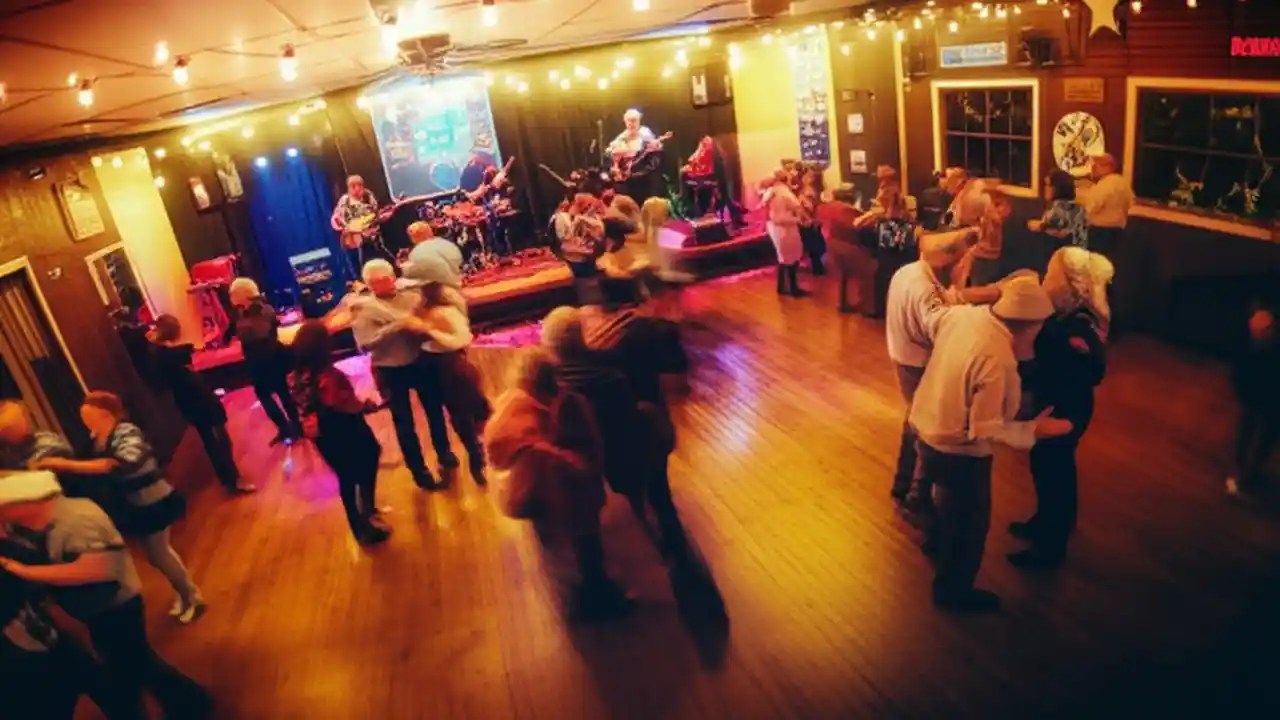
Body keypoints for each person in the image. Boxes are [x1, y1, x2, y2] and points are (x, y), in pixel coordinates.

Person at [909, 277, 1074, 612]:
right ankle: (953, 592)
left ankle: (937, 542)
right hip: (958, 451)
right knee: (971, 523)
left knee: (944, 501)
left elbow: (933, 315)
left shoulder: (964, 316)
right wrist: (1034, 430)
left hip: (925, 427)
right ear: (1031, 326)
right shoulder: (998, 360)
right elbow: (985, 430)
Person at [0, 471, 212, 719]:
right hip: (102, 608)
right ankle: (186, 703)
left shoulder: (75, 522)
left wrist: (22, 571)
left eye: (4, 509)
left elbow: (100, 570)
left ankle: (191, 704)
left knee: (132, 665)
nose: (3, 515)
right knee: (135, 662)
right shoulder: (55, 518)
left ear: (23, 505)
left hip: (115, 608)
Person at [484, 348, 631, 621]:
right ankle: (598, 600)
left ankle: (574, 602)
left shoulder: (510, 402)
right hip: (570, 494)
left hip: (538, 498)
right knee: (586, 549)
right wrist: (577, 465)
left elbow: (496, 450)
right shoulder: (568, 406)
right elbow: (589, 450)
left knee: (557, 554)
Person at [34, 391, 205, 623]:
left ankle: (192, 597)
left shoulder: (127, 431)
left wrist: (63, 464)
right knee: (156, 555)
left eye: (88, 416)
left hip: (152, 501)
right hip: (133, 505)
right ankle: (185, 593)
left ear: (105, 414)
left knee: (159, 554)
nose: (85, 421)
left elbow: (118, 464)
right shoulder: (96, 438)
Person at [1008, 247, 1112, 568]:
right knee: (1049, 466)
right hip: (1064, 403)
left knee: (1055, 471)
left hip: (1066, 409)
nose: (1045, 277)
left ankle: (1050, 548)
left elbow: (1079, 370)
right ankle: (1048, 522)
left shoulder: (1072, 327)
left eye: (1051, 273)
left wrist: (1027, 354)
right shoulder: (1080, 316)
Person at [884, 229, 974, 511]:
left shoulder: (907, 271)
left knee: (913, 421)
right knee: (929, 430)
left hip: (902, 356)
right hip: (920, 364)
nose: (965, 266)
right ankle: (917, 496)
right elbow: (944, 330)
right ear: (948, 262)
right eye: (962, 260)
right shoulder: (926, 291)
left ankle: (902, 483)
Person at [348, 259, 456, 488]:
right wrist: (396, 326)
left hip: (420, 361)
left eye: (385, 279)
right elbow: (364, 345)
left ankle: (444, 452)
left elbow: (430, 322)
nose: (382, 285)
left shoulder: (412, 296)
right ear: (369, 285)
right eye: (375, 283)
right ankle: (419, 471)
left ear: (392, 277)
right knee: (404, 423)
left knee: (435, 411)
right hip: (390, 370)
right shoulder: (363, 309)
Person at [289, 321, 390, 545]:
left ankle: (359, 523)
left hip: (321, 434)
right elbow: (343, 403)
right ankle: (367, 516)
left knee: (346, 476)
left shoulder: (295, 377)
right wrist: (367, 405)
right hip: (346, 428)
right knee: (370, 456)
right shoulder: (329, 376)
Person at [395, 272, 491, 485]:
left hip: (449, 368)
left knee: (462, 416)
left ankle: (476, 458)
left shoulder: (446, 312)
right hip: (427, 368)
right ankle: (450, 456)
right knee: (437, 415)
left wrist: (429, 330)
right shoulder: (417, 312)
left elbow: (461, 339)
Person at [148, 314, 254, 494]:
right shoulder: (172, 355)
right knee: (220, 440)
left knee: (211, 440)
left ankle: (228, 479)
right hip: (199, 399)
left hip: (187, 401)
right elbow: (186, 368)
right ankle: (232, 479)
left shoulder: (158, 354)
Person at [1225, 284, 1280, 501]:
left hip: (1263, 377)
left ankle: (1248, 468)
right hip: (1262, 377)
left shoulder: (1260, 320)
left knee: (1259, 423)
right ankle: (1249, 468)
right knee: (1260, 423)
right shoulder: (1261, 320)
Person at [229, 278, 300, 445]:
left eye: (233, 293)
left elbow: (262, 332)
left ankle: (296, 426)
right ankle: (283, 428)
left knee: (283, 393)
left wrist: (244, 329)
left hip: (270, 357)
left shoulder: (263, 309)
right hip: (255, 360)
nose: (230, 297)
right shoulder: (242, 312)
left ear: (243, 293)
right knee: (264, 395)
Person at [854, 172, 916, 316]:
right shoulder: (897, 211)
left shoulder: (887, 214)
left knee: (884, 266)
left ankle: (882, 307)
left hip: (893, 251)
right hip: (901, 251)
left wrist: (877, 215)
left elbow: (858, 224)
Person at [331, 174, 391, 281]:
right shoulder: (344, 201)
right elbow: (336, 220)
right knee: (359, 267)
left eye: (360, 185)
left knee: (384, 262)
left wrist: (383, 217)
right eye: (353, 186)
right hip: (355, 240)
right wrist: (349, 229)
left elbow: (375, 216)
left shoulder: (369, 197)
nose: (357, 188)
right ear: (348, 188)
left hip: (373, 237)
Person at [1078, 153, 1133, 263]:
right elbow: (1130, 204)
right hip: (1118, 232)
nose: (1092, 170)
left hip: (1100, 233)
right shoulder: (1123, 183)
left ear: (1108, 166)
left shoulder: (1105, 184)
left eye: (1095, 166)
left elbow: (1092, 206)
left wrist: (1081, 196)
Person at [763, 171, 807, 297]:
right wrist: (802, 220)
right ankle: (793, 288)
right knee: (793, 257)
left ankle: (781, 286)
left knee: (782, 257)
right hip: (786, 226)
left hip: (773, 227)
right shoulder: (785, 193)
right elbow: (798, 209)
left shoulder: (769, 192)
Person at [1028, 170, 1089, 249]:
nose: (1045, 189)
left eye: (1048, 185)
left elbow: (1056, 225)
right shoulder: (1078, 207)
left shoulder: (1061, 208)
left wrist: (1040, 226)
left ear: (1058, 187)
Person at [797, 168, 827, 276]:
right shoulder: (809, 191)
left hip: (810, 221)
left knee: (816, 246)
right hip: (808, 222)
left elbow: (810, 206)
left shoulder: (809, 191)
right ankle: (817, 268)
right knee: (815, 246)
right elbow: (808, 206)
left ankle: (817, 268)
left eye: (809, 176)